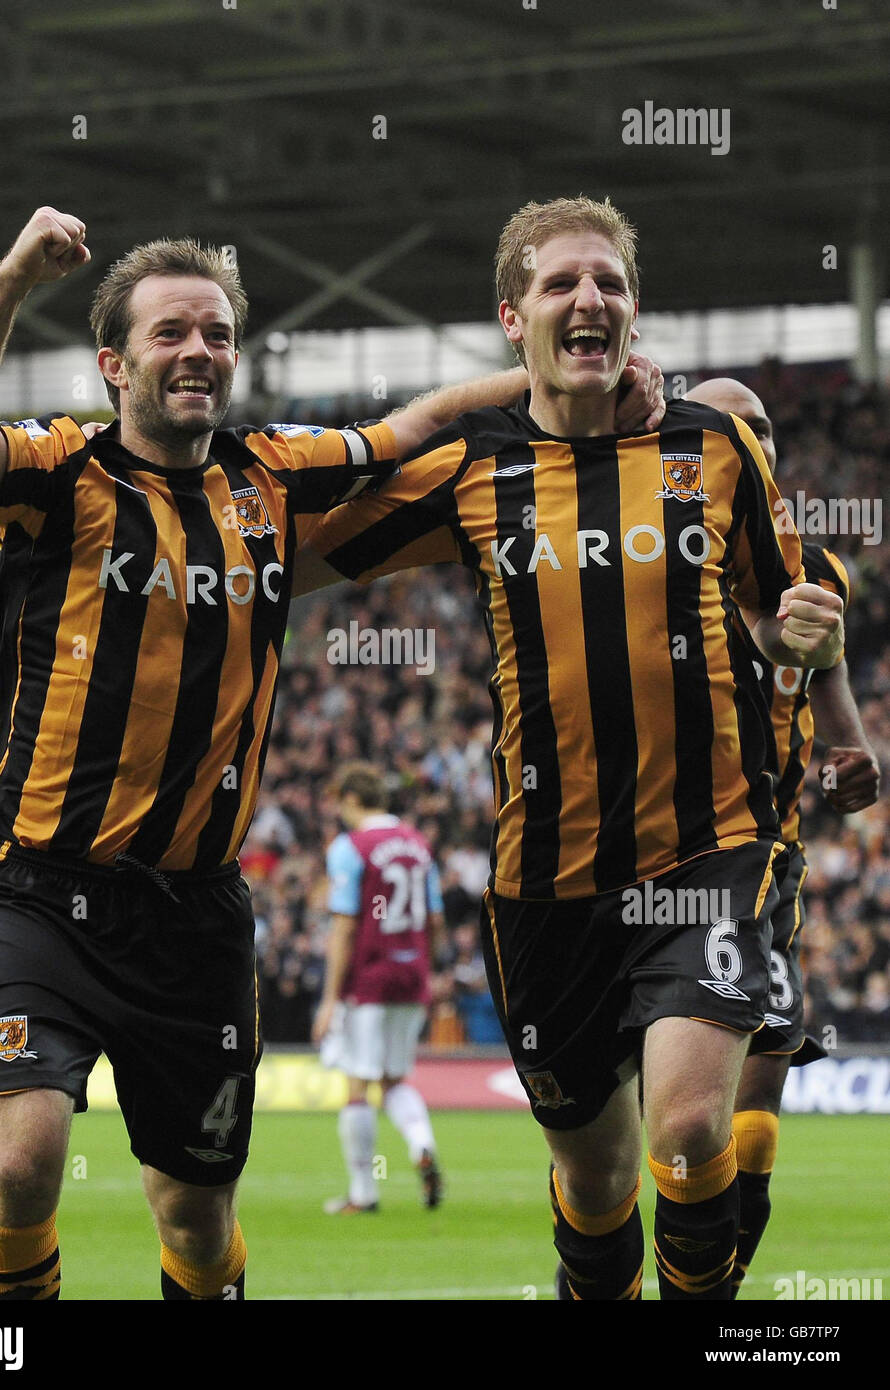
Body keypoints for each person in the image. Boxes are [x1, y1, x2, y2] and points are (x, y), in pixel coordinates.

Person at [0, 205, 664, 1302]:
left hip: (194, 920)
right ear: (114, 361)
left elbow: (407, 429)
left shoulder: (269, 478)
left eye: (216, 333)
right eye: (171, 334)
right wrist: (10, 280)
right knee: (24, 1163)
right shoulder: (59, 470)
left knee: (199, 1218)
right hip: (41, 895)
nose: (199, 352)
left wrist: (565, 388)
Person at [297, 195, 846, 1300]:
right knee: (596, 1186)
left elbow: (782, 606)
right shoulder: (473, 469)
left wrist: (807, 661)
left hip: (709, 851)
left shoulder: (716, 447)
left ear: (635, 314)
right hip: (542, 884)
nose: (587, 298)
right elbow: (297, 553)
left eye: (608, 283)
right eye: (560, 285)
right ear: (513, 317)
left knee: (689, 1129)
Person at [685, 378, 881, 1296]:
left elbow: (829, 688)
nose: (749, 439)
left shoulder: (819, 570)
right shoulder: (657, 552)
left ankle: (721, 1277)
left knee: (756, 1085)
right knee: (635, 1126)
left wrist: (854, 756)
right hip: (645, 849)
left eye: (761, 428)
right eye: (728, 427)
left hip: (764, 852)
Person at [312, 762, 444, 1213]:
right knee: (393, 1079)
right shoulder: (418, 844)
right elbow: (436, 918)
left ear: (351, 798)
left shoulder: (351, 847)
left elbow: (345, 927)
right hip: (411, 974)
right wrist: (430, 966)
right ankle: (421, 1143)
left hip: (368, 979)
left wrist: (330, 999)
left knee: (357, 1085)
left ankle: (363, 1193)